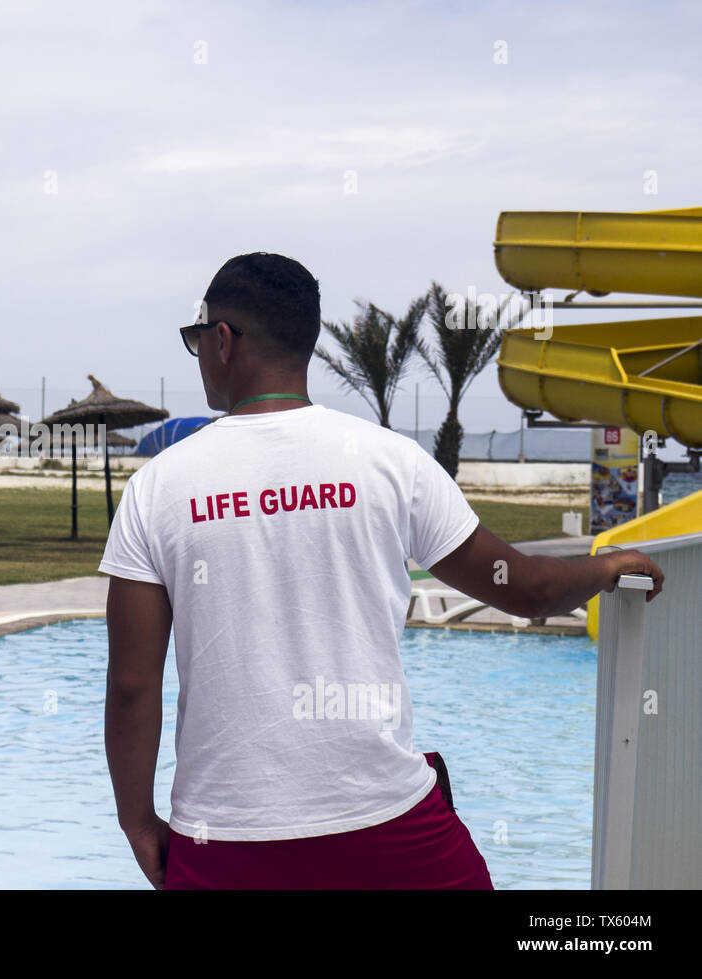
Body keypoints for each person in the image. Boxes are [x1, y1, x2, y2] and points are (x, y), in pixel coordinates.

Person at [99, 252, 665, 890]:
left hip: (226, 835)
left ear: (223, 340)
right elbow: (526, 590)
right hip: (386, 825)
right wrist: (606, 566)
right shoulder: (392, 463)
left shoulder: (159, 488)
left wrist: (136, 821)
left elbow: (131, 685)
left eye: (196, 339)